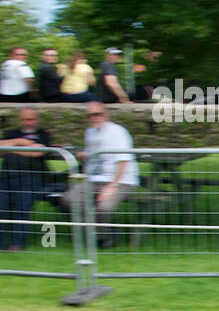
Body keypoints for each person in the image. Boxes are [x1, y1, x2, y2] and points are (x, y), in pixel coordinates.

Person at [70, 102, 139, 248]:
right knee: (69, 200)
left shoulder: (117, 132)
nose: (94, 118)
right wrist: (86, 155)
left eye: (97, 114)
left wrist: (112, 186)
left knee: (104, 207)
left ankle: (103, 237)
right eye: (90, 115)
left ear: (105, 114)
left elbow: (123, 160)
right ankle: (102, 231)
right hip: (94, 179)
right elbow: (97, 154)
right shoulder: (89, 133)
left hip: (121, 181)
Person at [0, 107, 54, 250]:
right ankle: (2, 243)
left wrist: (11, 147)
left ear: (36, 119)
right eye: (25, 119)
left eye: (31, 119)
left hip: (31, 177)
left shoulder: (43, 134)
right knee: (1, 207)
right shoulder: (11, 133)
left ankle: (18, 243)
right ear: (20, 120)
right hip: (5, 177)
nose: (28, 122)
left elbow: (37, 152)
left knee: (22, 208)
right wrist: (21, 142)